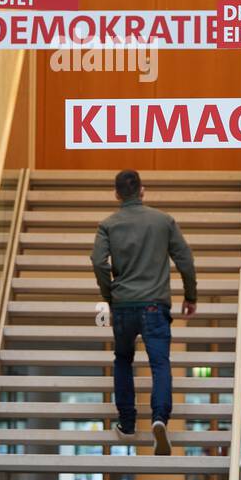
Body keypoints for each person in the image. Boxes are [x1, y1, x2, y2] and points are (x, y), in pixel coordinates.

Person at [90, 169, 197, 455]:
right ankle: (159, 419)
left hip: (123, 305)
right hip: (155, 305)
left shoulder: (108, 225)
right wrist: (190, 295)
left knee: (123, 359)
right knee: (159, 363)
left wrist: (108, 294)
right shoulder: (163, 221)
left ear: (116, 194)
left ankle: (127, 424)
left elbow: (98, 261)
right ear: (142, 191)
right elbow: (185, 258)